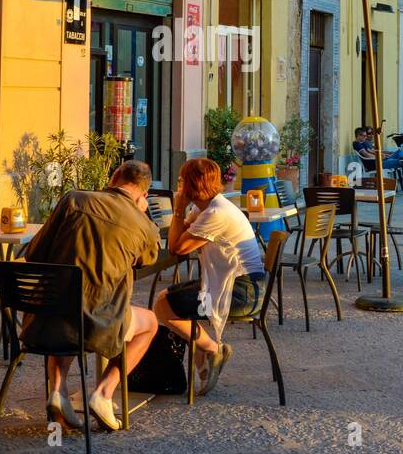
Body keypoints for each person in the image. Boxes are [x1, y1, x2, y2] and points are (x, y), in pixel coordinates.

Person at [23, 160, 161, 432]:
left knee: (68, 303)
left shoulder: (73, 200)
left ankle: (58, 392)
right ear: (143, 195)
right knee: (151, 323)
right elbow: (146, 260)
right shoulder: (143, 225)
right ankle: (105, 392)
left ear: (113, 177)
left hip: (45, 318)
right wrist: (142, 217)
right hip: (101, 324)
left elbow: (34, 254)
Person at [154, 157, 267, 397]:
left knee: (164, 306)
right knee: (168, 297)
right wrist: (182, 212)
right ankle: (204, 363)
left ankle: (213, 350)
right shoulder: (206, 206)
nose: (178, 183)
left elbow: (176, 247)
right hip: (232, 283)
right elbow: (180, 236)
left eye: (182, 180)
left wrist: (177, 208)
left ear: (192, 185)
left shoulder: (216, 213)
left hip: (242, 292)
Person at [354, 126, 403, 193]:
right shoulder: (357, 144)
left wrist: (384, 155)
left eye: (366, 136)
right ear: (358, 136)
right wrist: (380, 157)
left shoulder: (364, 143)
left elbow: (372, 151)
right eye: (364, 136)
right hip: (376, 164)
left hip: (381, 161)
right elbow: (367, 155)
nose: (366, 137)